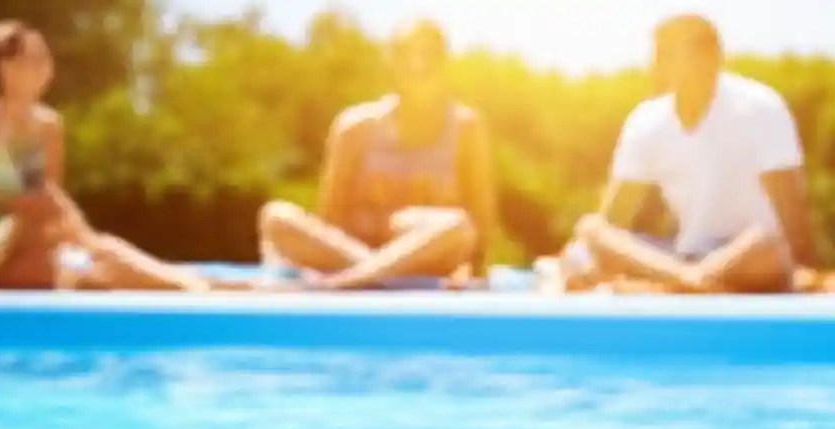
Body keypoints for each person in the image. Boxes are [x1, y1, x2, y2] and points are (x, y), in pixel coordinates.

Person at [0, 20, 220, 291]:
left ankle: (193, 283)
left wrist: (80, 237)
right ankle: (188, 284)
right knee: (94, 269)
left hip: (30, 234)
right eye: (33, 59)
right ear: (6, 68)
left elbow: (48, 195)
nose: (44, 66)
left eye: (45, 58)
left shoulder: (47, 125)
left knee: (100, 260)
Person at [560, 14, 817, 294]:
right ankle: (692, 283)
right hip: (681, 258)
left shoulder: (761, 108)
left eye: (668, 55)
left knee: (768, 244)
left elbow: (793, 222)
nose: (656, 66)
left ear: (711, 59)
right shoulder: (647, 121)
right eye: (658, 56)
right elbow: (613, 222)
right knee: (591, 230)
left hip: (747, 258)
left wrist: (807, 276)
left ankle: (671, 286)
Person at [257, 20, 500, 290]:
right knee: (276, 216)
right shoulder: (355, 126)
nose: (419, 65)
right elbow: (331, 220)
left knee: (457, 226)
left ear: (444, 64)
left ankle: (365, 279)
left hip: (432, 262)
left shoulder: (466, 127)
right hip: (351, 259)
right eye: (409, 54)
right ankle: (379, 277)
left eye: (430, 54)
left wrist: (474, 273)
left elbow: (480, 222)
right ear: (393, 61)